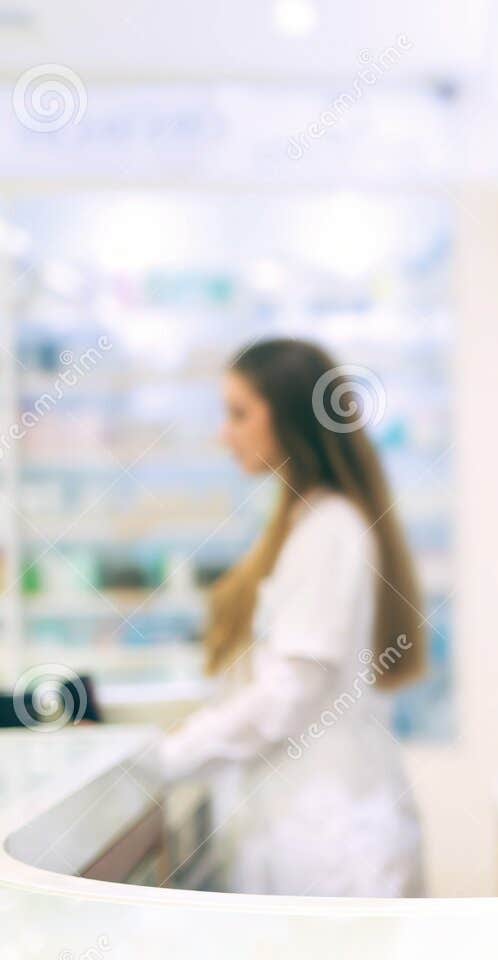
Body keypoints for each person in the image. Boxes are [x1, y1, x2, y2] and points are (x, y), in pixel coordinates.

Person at [158, 338, 427, 897]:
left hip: (331, 845)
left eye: (239, 413)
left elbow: (288, 694)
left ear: (291, 418)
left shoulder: (329, 527)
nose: (223, 433)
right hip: (313, 831)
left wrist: (172, 755)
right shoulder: (307, 520)